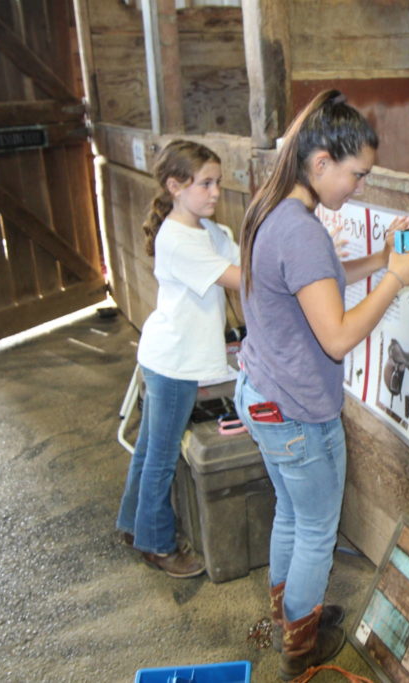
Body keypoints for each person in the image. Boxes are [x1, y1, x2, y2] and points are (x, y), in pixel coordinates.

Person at [233, 90, 409, 679]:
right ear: (320, 164)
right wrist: (395, 279)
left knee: (292, 515)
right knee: (318, 527)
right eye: (357, 175)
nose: (360, 188)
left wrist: (377, 262)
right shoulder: (301, 230)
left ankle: (287, 613)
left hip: (263, 396)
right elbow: (338, 337)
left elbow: (316, 281)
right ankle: (300, 642)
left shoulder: (277, 212)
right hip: (295, 410)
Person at [116, 139, 240, 578]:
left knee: (150, 449)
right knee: (163, 457)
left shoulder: (207, 231)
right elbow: (239, 278)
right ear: (175, 186)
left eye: (218, 183)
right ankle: (158, 543)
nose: (215, 193)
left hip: (170, 357)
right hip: (173, 365)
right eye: (205, 184)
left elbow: (240, 259)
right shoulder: (177, 239)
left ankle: (134, 525)